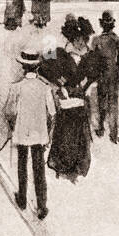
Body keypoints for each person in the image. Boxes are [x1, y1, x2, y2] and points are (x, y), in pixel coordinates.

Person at [3, 49, 58, 220]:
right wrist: (48, 131)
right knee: (39, 169)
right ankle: (41, 206)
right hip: (39, 134)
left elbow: (9, 111)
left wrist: (12, 125)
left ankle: (22, 199)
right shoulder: (45, 88)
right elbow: (53, 112)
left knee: (22, 165)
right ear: (37, 67)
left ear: (23, 68)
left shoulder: (16, 87)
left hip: (21, 133)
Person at [41, 15, 95, 182]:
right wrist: (58, 85)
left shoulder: (88, 56)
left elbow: (91, 77)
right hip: (66, 102)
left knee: (78, 135)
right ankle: (63, 165)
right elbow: (45, 69)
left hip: (80, 101)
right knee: (65, 132)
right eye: (77, 40)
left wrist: (86, 85)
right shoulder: (61, 53)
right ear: (72, 39)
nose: (81, 43)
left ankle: (77, 166)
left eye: (83, 40)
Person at [91, 10, 119, 143]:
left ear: (101, 24)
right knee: (113, 104)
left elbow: (93, 60)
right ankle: (113, 134)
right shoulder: (117, 40)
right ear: (112, 24)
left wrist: (96, 74)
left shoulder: (96, 40)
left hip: (101, 75)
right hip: (113, 74)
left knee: (101, 101)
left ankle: (101, 128)